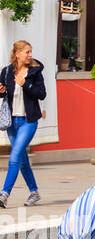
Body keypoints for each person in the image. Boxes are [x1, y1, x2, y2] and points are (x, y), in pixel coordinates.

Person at [0, 40, 46, 207]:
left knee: (14, 156)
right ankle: (34, 193)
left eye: (30, 52)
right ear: (17, 54)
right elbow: (3, 94)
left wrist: (25, 84)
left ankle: (4, 194)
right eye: (27, 52)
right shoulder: (6, 72)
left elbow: (41, 94)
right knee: (22, 159)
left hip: (28, 121)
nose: (30, 55)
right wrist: (1, 91)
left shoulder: (35, 73)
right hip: (12, 122)